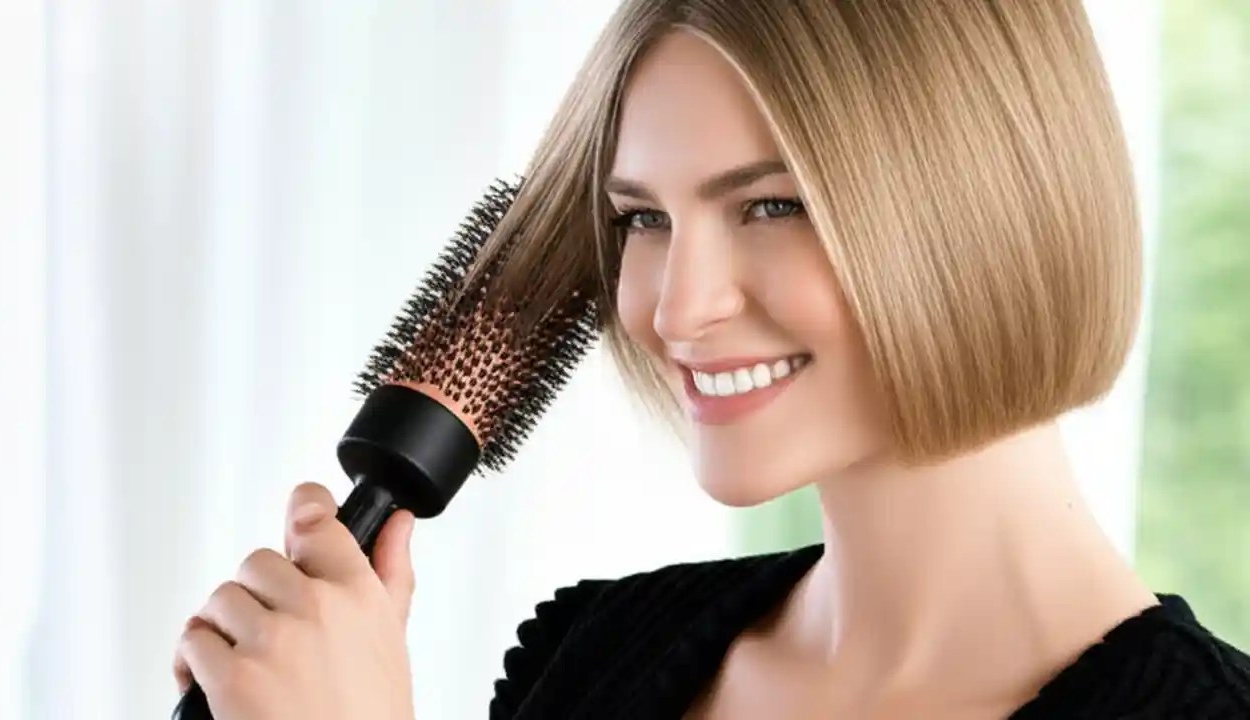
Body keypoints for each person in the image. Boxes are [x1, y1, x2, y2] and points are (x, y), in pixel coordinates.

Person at [173, 1, 1250, 718]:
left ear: (982, 208)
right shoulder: (592, 657)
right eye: (641, 219)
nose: (676, 309)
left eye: (770, 205)